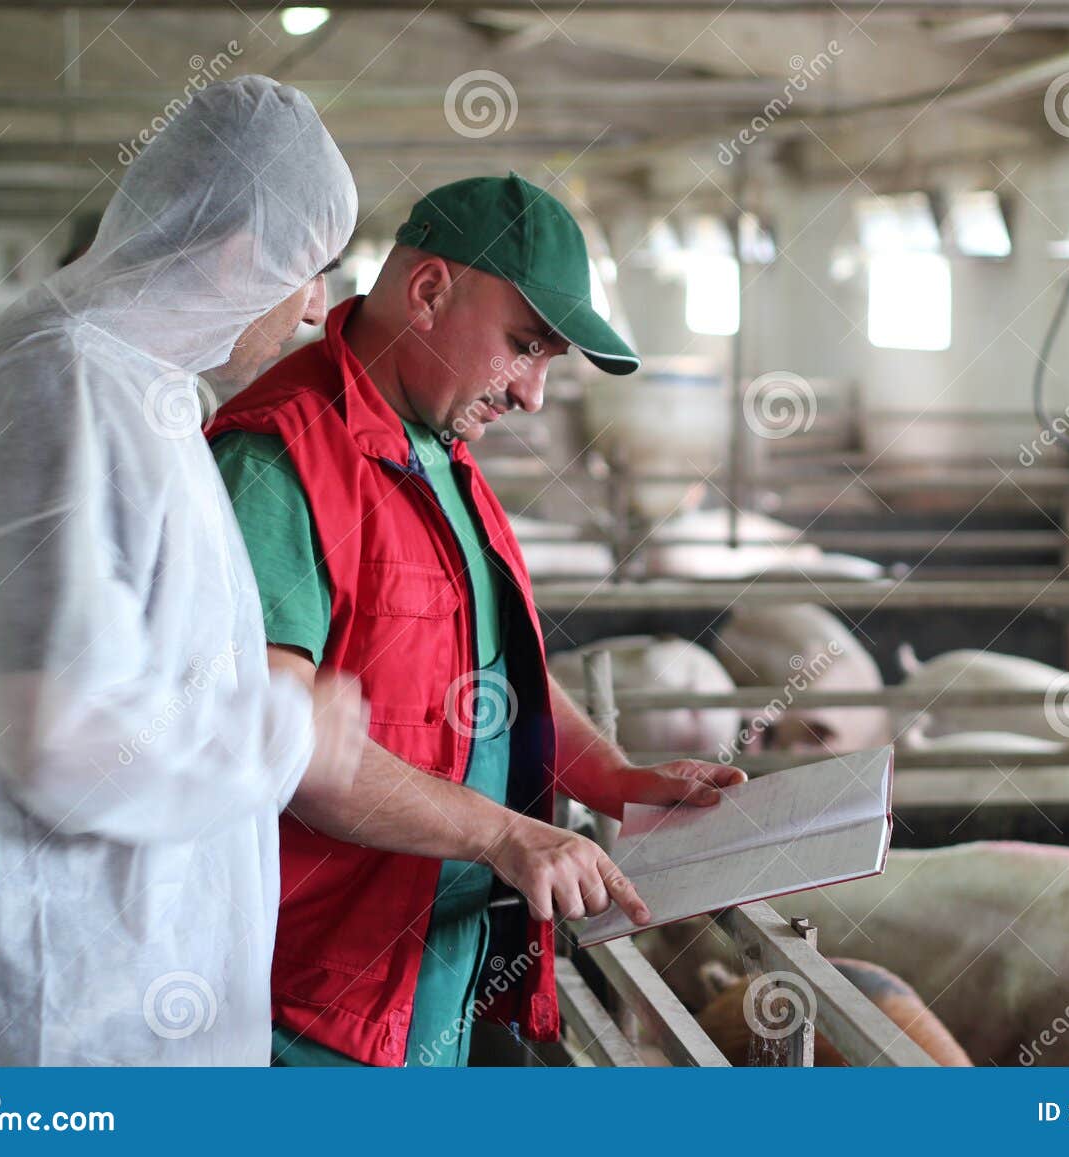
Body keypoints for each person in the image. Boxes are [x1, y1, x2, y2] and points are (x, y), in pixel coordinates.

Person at [0, 76, 368, 1066]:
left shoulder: (134, 385)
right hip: (60, 1013)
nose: (314, 310)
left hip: (115, 984)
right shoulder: (66, 384)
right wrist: (283, 733)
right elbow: (57, 734)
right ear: (238, 254)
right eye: (313, 271)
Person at [207, 173, 745, 1068]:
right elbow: (280, 743)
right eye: (524, 346)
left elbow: (496, 674)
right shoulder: (278, 459)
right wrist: (504, 832)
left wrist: (611, 776)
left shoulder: (443, 456)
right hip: (308, 1006)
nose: (533, 393)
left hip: (441, 973)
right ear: (428, 291)